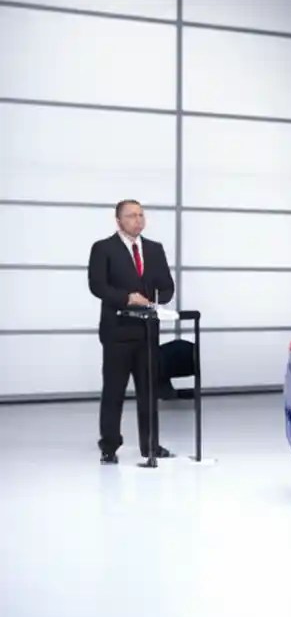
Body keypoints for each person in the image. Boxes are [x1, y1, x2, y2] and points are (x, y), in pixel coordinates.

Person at [87, 199, 175, 464]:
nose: (138, 220)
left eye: (141, 215)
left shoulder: (155, 249)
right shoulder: (103, 248)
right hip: (117, 331)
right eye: (131, 216)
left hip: (147, 330)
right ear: (118, 221)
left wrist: (155, 299)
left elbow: (167, 286)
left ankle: (151, 445)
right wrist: (127, 298)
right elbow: (98, 286)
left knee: (149, 392)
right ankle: (109, 446)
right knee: (114, 390)